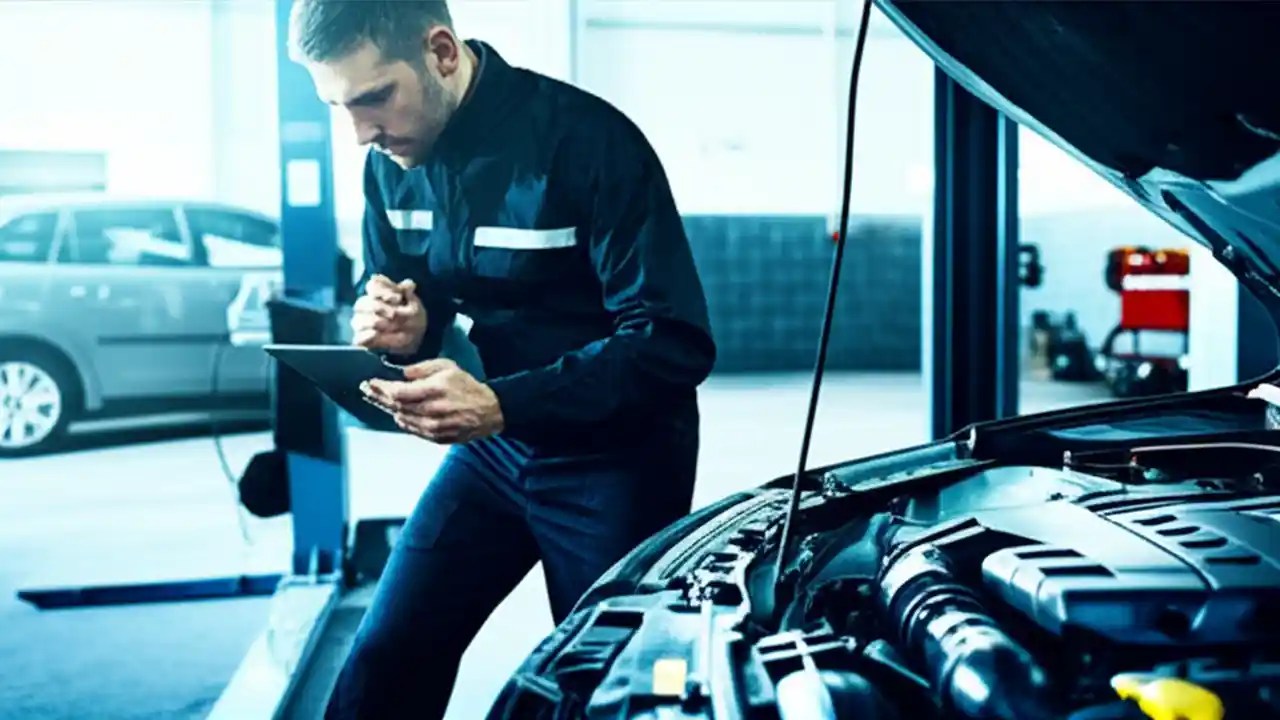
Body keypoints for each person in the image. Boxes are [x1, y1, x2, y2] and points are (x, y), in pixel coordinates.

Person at [286, 1, 717, 718]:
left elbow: (673, 342)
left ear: (441, 52)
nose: (360, 132)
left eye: (374, 98)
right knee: (387, 655)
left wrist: (501, 403)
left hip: (618, 459)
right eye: (340, 107)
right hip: (496, 448)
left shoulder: (588, 143)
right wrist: (402, 326)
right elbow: (407, 294)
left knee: (604, 688)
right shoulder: (390, 165)